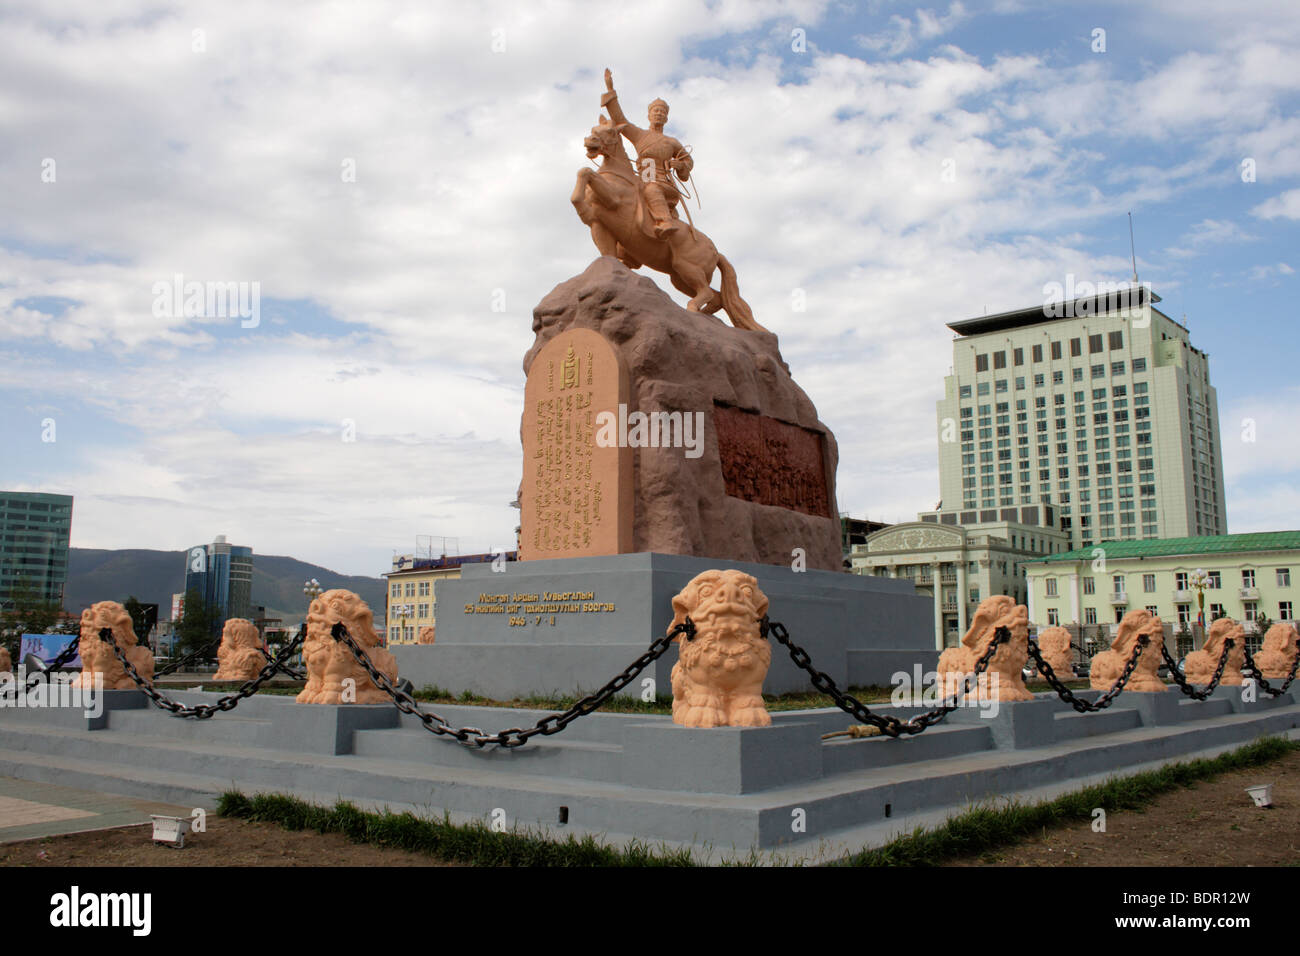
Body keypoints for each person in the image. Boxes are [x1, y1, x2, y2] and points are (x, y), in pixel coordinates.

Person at [601, 68, 693, 238]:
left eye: (662, 113)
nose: (659, 114)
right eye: (656, 111)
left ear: (666, 118)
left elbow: (688, 161)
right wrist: (610, 90)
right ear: (649, 115)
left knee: (651, 189)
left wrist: (680, 165)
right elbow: (621, 120)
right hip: (644, 175)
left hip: (663, 182)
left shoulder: (671, 142)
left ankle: (665, 220)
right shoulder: (640, 135)